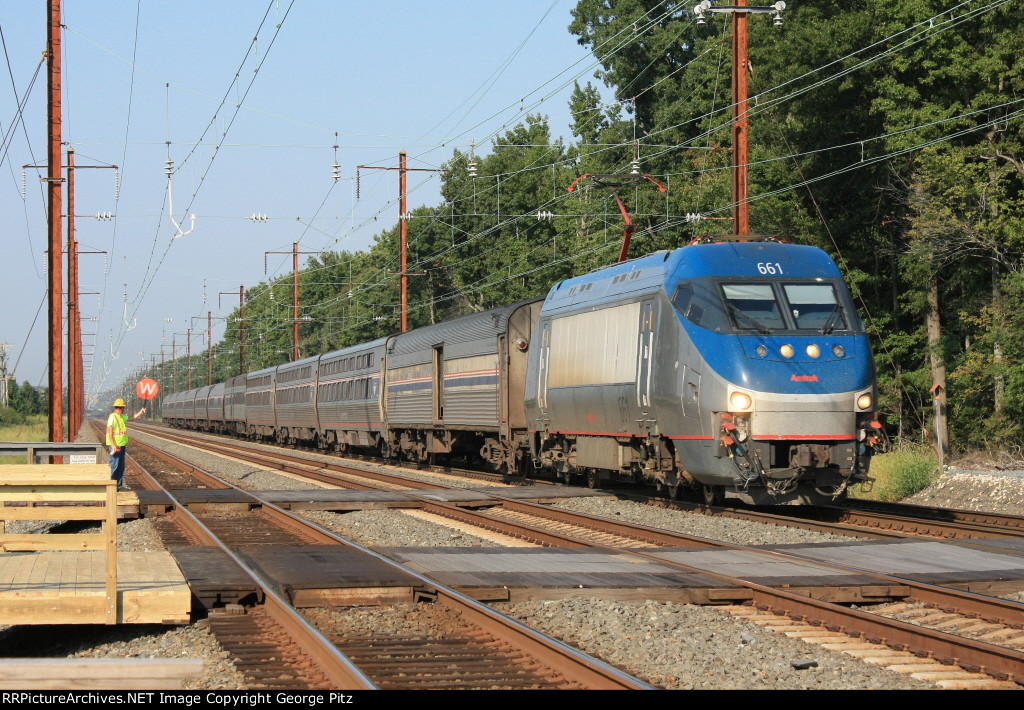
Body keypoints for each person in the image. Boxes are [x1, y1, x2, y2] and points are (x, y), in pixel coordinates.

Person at [106, 397, 145, 490]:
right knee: (114, 465)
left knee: (120, 466)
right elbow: (110, 432)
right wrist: (113, 445)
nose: (123, 409)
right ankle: (112, 486)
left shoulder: (121, 417)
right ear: (121, 408)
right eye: (122, 408)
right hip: (115, 446)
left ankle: (118, 486)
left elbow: (132, 418)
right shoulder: (112, 417)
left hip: (121, 445)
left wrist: (141, 412)